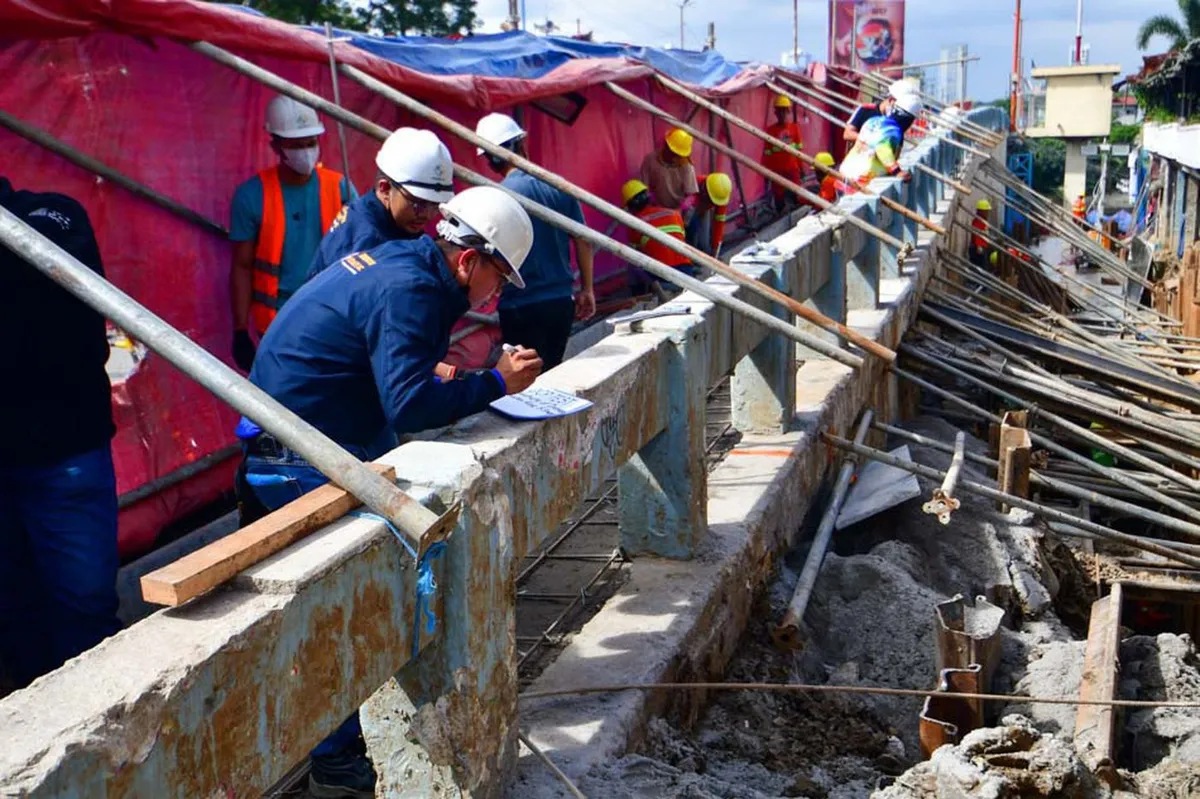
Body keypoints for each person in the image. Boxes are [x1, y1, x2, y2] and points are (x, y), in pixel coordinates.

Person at [236, 186, 542, 798]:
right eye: (498, 278)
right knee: (362, 597)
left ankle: (341, 746)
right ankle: (338, 759)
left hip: (309, 431)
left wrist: (452, 374)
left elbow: (382, 360)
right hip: (294, 453)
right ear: (468, 261)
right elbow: (407, 403)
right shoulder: (413, 290)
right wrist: (494, 384)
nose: (497, 294)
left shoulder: (406, 263)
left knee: (358, 594)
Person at [0, 178, 120, 689]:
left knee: (84, 609)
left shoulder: (52, 215)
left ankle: (101, 730)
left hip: (64, 454)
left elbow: (73, 327)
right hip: (33, 458)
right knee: (15, 611)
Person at [229, 95, 354, 372]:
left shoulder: (340, 187)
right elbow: (242, 266)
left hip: (333, 318)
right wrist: (239, 330)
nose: (306, 152)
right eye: (296, 145)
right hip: (277, 326)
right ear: (275, 144)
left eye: (311, 143)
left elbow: (361, 252)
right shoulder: (253, 195)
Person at [474, 112, 596, 370]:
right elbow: (584, 240)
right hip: (560, 304)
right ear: (521, 144)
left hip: (520, 307)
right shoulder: (557, 186)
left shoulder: (498, 197)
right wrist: (587, 289)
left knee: (525, 385)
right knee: (552, 373)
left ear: (489, 158)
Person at [307, 127, 453, 279]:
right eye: (419, 204)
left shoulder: (386, 223)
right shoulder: (364, 246)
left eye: (435, 204)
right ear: (384, 189)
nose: (427, 215)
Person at [622, 178, 692, 297]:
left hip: (662, 275)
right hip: (686, 271)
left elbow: (637, 252)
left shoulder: (634, 223)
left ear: (630, 205)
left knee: (631, 258)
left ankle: (639, 294)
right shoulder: (673, 213)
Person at [837, 95, 919, 192]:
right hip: (861, 180)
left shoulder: (874, 121)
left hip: (845, 175)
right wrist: (897, 172)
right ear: (908, 119)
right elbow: (883, 149)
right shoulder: (893, 130)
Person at [639, 127, 700, 217]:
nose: (675, 157)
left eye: (678, 155)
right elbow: (644, 190)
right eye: (673, 153)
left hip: (679, 211)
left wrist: (682, 208)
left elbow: (691, 195)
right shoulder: (650, 160)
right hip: (656, 209)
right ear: (666, 145)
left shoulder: (686, 166)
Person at [843, 80, 921, 145]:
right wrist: (871, 138)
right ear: (891, 100)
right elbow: (847, 134)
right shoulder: (866, 110)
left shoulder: (897, 121)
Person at [762, 95, 804, 211]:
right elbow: (767, 153)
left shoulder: (794, 128)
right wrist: (767, 172)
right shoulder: (770, 131)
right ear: (775, 113)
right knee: (778, 196)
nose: (782, 114)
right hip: (777, 171)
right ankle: (781, 213)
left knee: (797, 193)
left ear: (788, 111)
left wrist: (801, 168)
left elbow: (799, 150)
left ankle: (798, 212)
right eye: (779, 111)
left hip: (792, 168)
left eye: (784, 111)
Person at [686, 172, 732, 258]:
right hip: (688, 209)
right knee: (690, 230)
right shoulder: (693, 185)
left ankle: (699, 257)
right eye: (711, 201)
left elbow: (719, 223)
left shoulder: (720, 194)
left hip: (702, 209)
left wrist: (715, 250)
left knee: (704, 245)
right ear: (705, 191)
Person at [969, 198, 992, 267]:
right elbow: (977, 234)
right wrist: (979, 246)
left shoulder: (983, 221)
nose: (988, 212)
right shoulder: (978, 222)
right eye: (986, 211)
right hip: (978, 249)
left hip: (982, 247)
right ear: (981, 211)